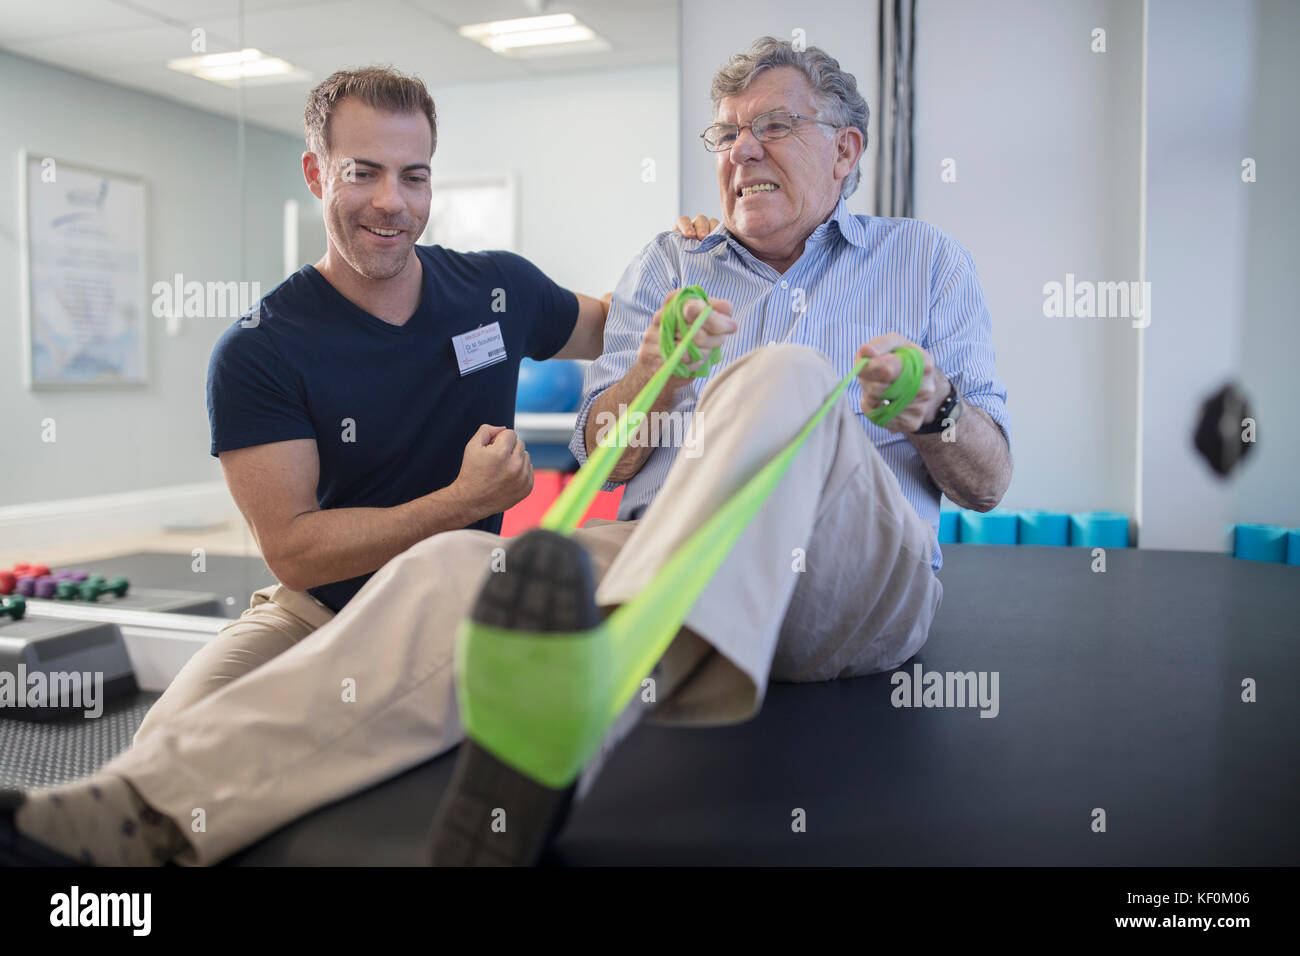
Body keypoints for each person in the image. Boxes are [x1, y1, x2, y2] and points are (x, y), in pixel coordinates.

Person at [1, 38, 1010, 868]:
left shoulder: (922, 261)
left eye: (773, 126)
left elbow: (990, 478)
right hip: (628, 560)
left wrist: (936, 406)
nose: (743, 149)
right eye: (727, 133)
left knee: (783, 374)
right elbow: (604, 457)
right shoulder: (668, 265)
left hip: (847, 584)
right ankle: (130, 816)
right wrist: (649, 373)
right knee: (452, 567)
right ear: (319, 179)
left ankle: (579, 716)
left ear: (847, 152)